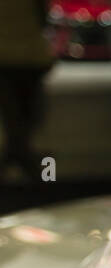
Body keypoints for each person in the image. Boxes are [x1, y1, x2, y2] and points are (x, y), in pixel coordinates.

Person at [0, 0, 54, 182]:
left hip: (7, 58)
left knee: (13, 116)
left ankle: (19, 156)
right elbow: (43, 18)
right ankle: (25, 161)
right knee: (26, 114)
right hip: (30, 57)